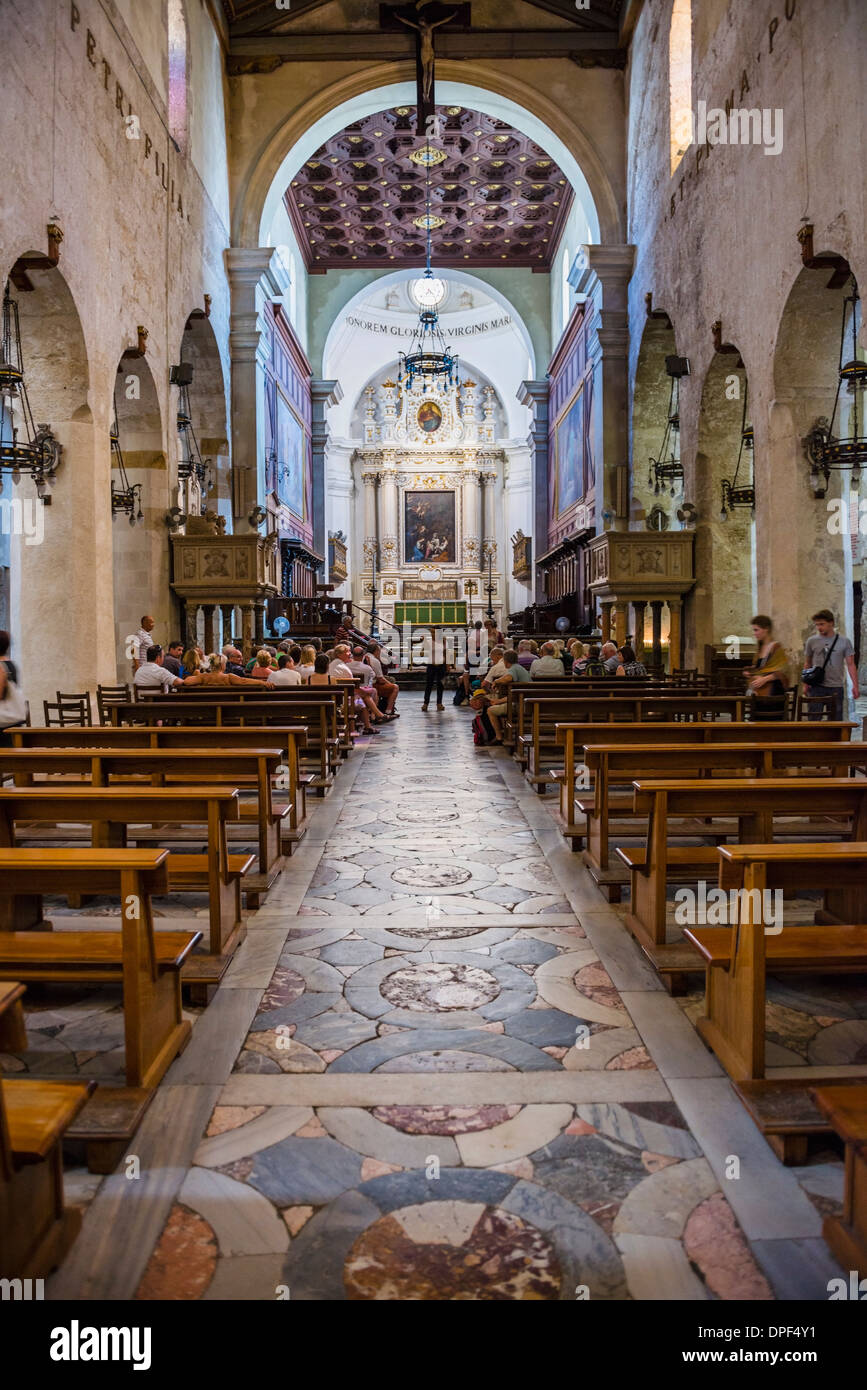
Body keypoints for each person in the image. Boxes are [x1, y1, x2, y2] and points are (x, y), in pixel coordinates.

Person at [802, 608, 859, 720]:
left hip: (835, 687)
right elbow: (807, 663)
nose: (819, 627)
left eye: (822, 624)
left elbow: (851, 664)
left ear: (831, 623)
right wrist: (805, 684)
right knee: (814, 719)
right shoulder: (811, 641)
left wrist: (855, 685)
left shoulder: (844, 641)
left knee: (835, 720)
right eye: (817, 624)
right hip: (816, 686)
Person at [743, 614, 790, 719]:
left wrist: (764, 679)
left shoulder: (776, 647)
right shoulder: (760, 648)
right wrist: (750, 672)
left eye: (756, 630)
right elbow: (760, 668)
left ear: (766, 629)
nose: (754, 633)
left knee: (770, 722)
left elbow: (783, 670)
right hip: (760, 691)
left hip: (773, 692)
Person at [486, 649, 530, 744]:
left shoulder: (513, 669)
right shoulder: (519, 668)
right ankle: (503, 734)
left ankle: (499, 738)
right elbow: (515, 694)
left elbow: (508, 678)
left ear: (505, 661)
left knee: (490, 710)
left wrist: (496, 681)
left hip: (521, 706)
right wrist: (499, 701)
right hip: (525, 701)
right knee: (496, 704)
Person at [182, 653, 273, 688]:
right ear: (222, 665)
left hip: (208, 706)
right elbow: (244, 681)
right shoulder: (229, 677)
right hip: (228, 707)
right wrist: (262, 683)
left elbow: (186, 681)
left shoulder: (204, 677)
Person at [365, 641, 399, 716]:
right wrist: (391, 684)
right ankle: (388, 711)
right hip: (371, 686)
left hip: (363, 684)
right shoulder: (374, 660)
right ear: (376, 651)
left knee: (390, 681)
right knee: (395, 687)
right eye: (379, 651)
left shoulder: (364, 657)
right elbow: (380, 679)